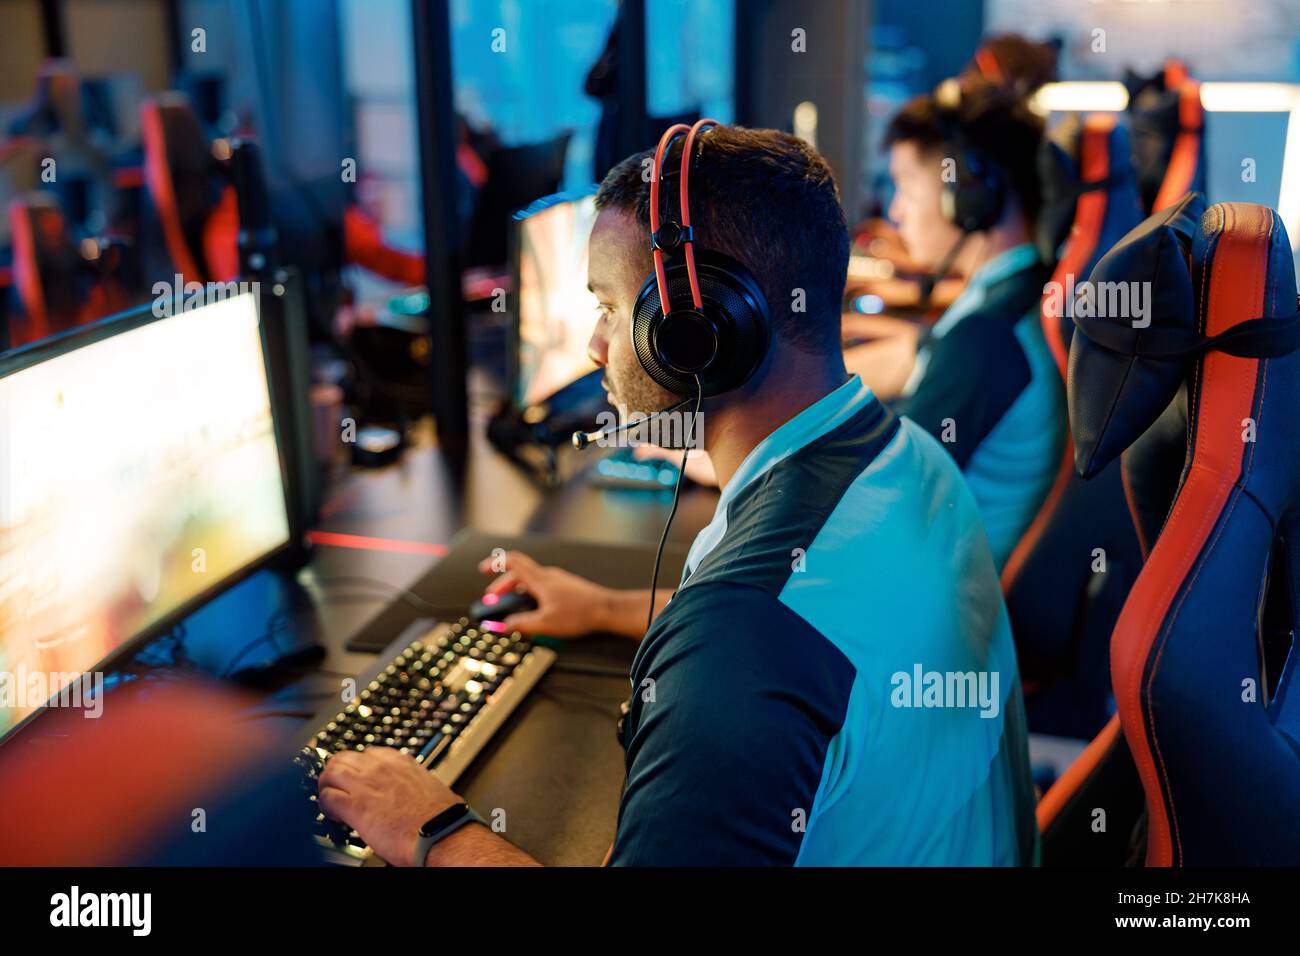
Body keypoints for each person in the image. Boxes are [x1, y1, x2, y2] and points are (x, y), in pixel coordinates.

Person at [318, 125, 1038, 866]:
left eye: (609, 308)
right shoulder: (906, 455)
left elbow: (759, 641)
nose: (595, 346)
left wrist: (430, 829)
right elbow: (811, 626)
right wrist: (604, 607)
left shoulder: (740, 640)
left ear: (698, 330)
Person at [882, 80, 1065, 570]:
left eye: (905, 185)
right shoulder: (1016, 295)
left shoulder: (988, 337)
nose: (895, 210)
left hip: (941, 600)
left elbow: (883, 501)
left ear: (968, 194)